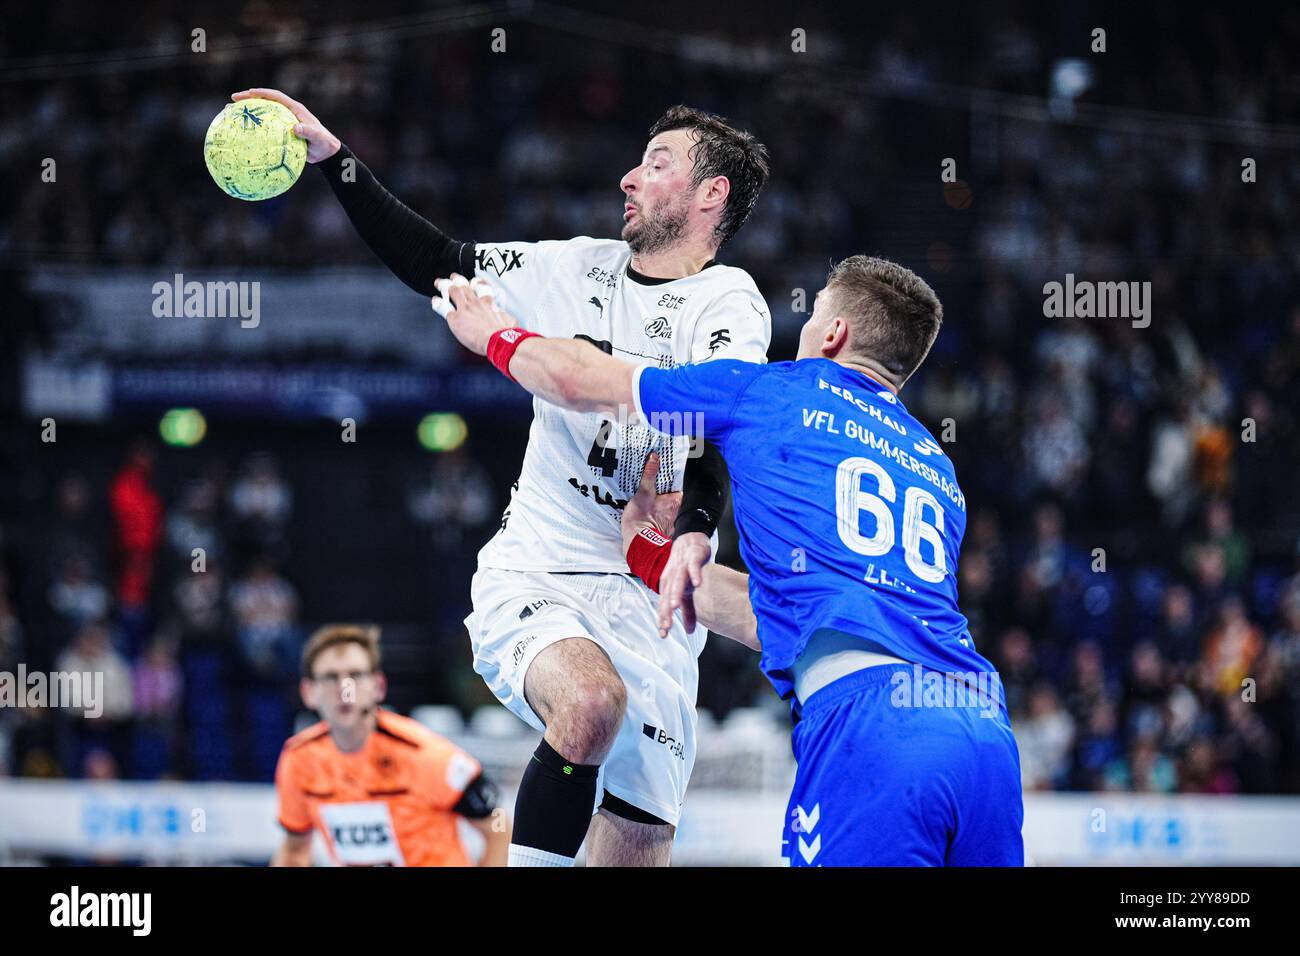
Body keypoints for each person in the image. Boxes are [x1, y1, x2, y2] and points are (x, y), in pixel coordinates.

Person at [233, 87, 773, 866]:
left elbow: (721, 425)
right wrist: (333, 159)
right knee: (590, 705)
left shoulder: (728, 304)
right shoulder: (573, 268)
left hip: (651, 602)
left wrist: (690, 533)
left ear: (709, 195)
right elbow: (439, 264)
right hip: (541, 567)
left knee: (639, 844)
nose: (628, 178)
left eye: (656, 165)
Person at [432, 256, 1025, 865]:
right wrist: (651, 553)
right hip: (981, 729)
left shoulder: (770, 390)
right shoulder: (936, 471)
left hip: (872, 729)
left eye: (814, 309)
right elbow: (789, 614)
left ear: (834, 333)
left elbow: (586, 379)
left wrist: (494, 335)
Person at [272, 625, 508, 867]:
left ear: (379, 686)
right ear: (308, 692)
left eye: (355, 675)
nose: (345, 690)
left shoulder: (426, 755)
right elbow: (294, 850)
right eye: (331, 677)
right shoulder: (299, 759)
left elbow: (500, 827)